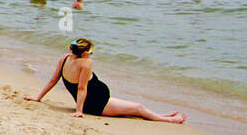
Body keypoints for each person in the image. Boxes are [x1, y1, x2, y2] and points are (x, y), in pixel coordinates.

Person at [24, 39, 186, 122]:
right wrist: (79, 111)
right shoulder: (86, 63)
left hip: (97, 101)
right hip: (97, 105)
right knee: (137, 107)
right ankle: (168, 120)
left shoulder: (65, 59)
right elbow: (81, 88)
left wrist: (38, 98)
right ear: (86, 53)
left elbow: (53, 81)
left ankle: (159, 115)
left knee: (136, 110)